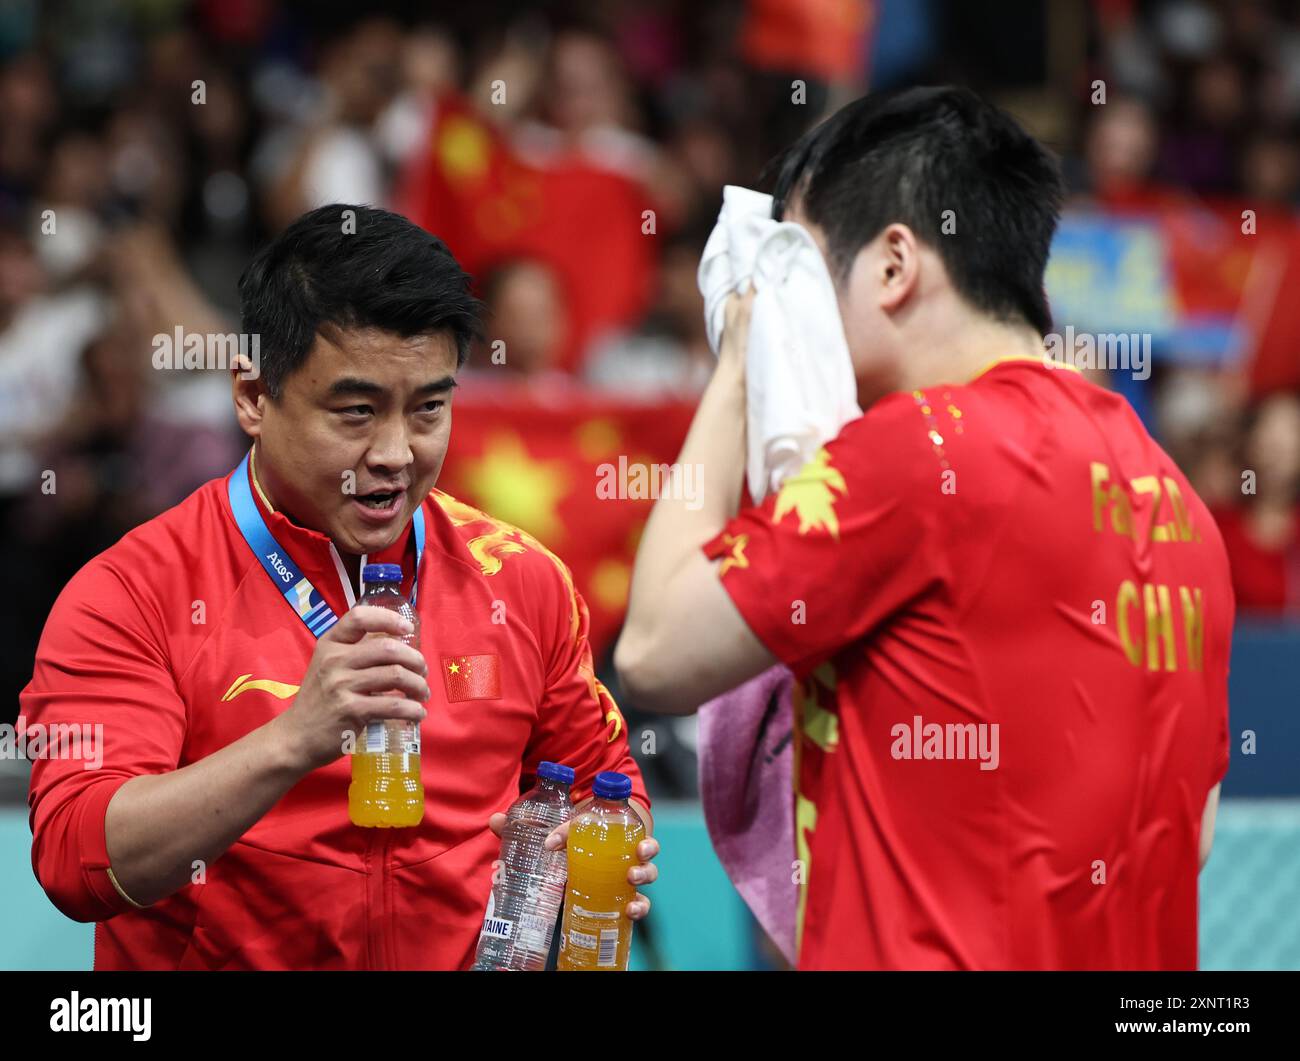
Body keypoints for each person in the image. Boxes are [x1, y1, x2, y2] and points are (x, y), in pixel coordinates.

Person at [615, 87, 1231, 970]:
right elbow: (1192, 832)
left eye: (795, 272)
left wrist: (743, 365)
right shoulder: (1179, 501)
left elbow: (656, 650)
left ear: (893, 265)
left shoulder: (914, 452)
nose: (788, 311)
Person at [21, 204, 656, 970]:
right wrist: (292, 741)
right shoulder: (133, 592)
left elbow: (601, 783)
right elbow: (74, 856)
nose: (395, 453)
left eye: (429, 408)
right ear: (254, 396)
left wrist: (597, 844)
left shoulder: (523, 581)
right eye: (356, 411)